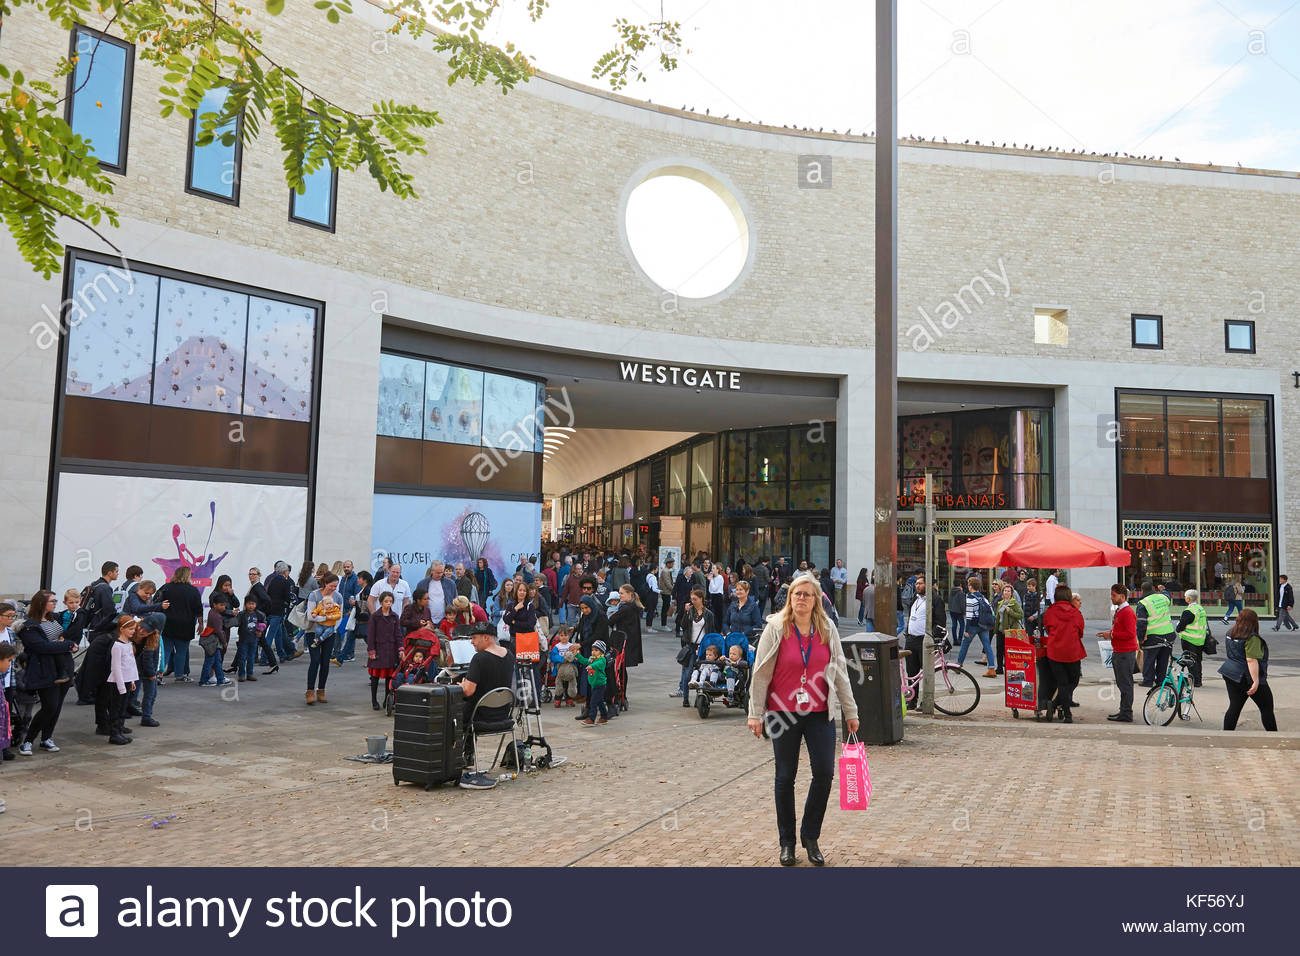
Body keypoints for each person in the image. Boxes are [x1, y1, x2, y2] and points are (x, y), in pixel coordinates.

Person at [747, 572, 860, 867]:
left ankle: (810, 836)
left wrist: (851, 711)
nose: (801, 599)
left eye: (807, 594)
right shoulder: (776, 627)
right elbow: (760, 674)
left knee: (824, 773)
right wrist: (754, 713)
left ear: (816, 600)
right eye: (797, 594)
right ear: (790, 597)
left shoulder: (827, 628)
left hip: (819, 712)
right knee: (785, 777)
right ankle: (787, 843)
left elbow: (841, 672)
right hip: (782, 713)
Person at [15, 591, 78, 755]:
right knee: (49, 706)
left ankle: (46, 738)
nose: (55, 603)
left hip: (63, 665)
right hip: (45, 669)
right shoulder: (29, 625)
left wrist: (66, 643)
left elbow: (59, 639)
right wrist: (67, 645)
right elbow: (41, 647)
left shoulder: (53, 618)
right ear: (42, 603)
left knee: (56, 706)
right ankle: (28, 740)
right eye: (52, 601)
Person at [458, 622, 515, 789]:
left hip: (480, 717)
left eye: (474, 638)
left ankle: (458, 758)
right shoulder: (509, 655)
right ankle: (468, 755)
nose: (471, 642)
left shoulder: (480, 658)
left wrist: (461, 685)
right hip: (503, 716)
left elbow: (468, 691)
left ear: (486, 637)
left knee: (450, 713)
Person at [1219, 609, 1277, 732]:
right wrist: (1256, 682)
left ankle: (1226, 735)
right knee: (1266, 708)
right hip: (1246, 677)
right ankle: (1274, 736)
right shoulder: (1252, 638)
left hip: (1230, 673)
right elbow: (1251, 660)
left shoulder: (1230, 632)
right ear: (1254, 622)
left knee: (1234, 707)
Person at [1041, 585, 1087, 723]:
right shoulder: (1075, 613)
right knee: (1073, 681)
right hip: (1072, 651)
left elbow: (1048, 628)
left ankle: (1063, 711)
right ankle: (1060, 709)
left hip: (1054, 651)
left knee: (1062, 683)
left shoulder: (1050, 612)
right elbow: (1080, 632)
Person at [1098, 582, 1137, 722]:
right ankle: (1124, 711)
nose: (1111, 598)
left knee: (1125, 684)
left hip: (1125, 652)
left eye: (1114, 595)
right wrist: (1109, 633)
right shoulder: (1121, 610)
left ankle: (1126, 713)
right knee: (1123, 683)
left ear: (1122, 596)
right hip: (1121, 651)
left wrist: (1112, 635)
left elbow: (1130, 634)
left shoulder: (1127, 612)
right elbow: (1122, 631)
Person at [156, 566, 203, 682]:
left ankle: (159, 675)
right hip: (185, 625)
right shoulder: (193, 590)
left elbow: (156, 602)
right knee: (181, 652)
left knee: (165, 650)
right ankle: (179, 675)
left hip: (168, 623)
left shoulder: (166, 587)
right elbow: (198, 609)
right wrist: (201, 624)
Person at [304, 572, 341, 704]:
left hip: (330, 633)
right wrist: (326, 619)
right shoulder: (314, 595)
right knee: (315, 660)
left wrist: (332, 628)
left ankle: (321, 690)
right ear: (325, 583)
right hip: (313, 632)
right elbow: (310, 616)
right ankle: (309, 691)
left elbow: (339, 616)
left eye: (336, 586)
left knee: (325, 662)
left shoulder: (338, 597)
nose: (333, 589)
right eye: (332, 586)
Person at [676, 588, 715, 706]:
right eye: (692, 599)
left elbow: (712, 631)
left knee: (703, 672)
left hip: (703, 648)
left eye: (695, 599)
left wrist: (711, 647)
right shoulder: (690, 611)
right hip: (691, 646)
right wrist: (685, 612)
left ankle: (702, 698)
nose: (693, 601)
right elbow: (683, 625)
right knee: (688, 674)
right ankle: (686, 699)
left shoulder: (708, 614)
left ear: (701, 599)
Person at [106, 614, 140, 745]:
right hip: (117, 682)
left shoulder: (128, 643)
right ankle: (114, 734)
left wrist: (131, 681)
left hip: (126, 681)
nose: (133, 631)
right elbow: (116, 667)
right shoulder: (117, 646)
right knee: (116, 708)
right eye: (131, 629)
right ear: (122, 629)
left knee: (122, 708)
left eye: (134, 629)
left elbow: (130, 665)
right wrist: (121, 686)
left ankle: (119, 731)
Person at [366, 591, 402, 711]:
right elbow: (370, 635)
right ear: (381, 602)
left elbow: (398, 634)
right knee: (375, 677)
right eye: (386, 601)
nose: (388, 604)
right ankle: (373, 700)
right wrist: (371, 650)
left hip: (390, 650)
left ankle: (387, 698)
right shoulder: (375, 617)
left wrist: (400, 648)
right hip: (378, 649)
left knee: (389, 678)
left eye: (390, 601)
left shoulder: (394, 616)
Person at [957, 577, 997, 678]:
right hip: (983, 625)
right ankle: (991, 669)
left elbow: (969, 616)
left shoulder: (970, 598)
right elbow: (991, 610)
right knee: (987, 646)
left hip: (973, 626)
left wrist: (966, 630)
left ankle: (958, 665)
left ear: (970, 586)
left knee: (964, 645)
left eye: (968, 584)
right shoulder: (982, 597)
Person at [1136, 584, 1175, 688]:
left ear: (1142, 591)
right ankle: (1161, 681)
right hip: (1168, 635)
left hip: (1153, 637)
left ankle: (1148, 681)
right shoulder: (1163, 597)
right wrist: (1163, 589)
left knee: (1149, 659)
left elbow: (1141, 624)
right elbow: (1168, 595)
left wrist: (1140, 639)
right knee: (1163, 660)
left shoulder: (1143, 603)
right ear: (1153, 589)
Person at [132, 613, 164, 727]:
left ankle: (145, 715)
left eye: (146, 631)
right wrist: (152, 673)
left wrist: (159, 669)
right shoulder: (144, 638)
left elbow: (158, 656)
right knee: (150, 695)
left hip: (143, 670)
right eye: (141, 628)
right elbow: (148, 659)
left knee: (150, 694)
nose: (141, 631)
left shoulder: (153, 640)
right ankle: (146, 717)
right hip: (145, 672)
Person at [1173, 589, 1208, 687]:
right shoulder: (1200, 608)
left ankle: (1194, 681)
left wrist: (1178, 625)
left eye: (1185, 596)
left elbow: (1180, 627)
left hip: (1189, 639)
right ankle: (1198, 680)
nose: (1184, 598)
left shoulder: (1189, 611)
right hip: (1200, 639)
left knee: (1190, 661)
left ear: (1188, 599)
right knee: (1198, 660)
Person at [198, 593, 233, 687]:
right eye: (221, 605)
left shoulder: (212, 612)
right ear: (214, 605)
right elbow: (218, 631)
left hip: (212, 641)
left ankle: (220, 679)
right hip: (212, 642)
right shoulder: (216, 616)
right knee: (209, 662)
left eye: (224, 605)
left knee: (217, 661)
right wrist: (224, 642)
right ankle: (203, 681)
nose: (223, 607)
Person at [572, 640, 611, 725]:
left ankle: (591, 719)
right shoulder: (592, 659)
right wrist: (577, 655)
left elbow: (598, 664)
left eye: (596, 650)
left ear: (602, 652)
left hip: (600, 685)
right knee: (600, 701)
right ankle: (604, 717)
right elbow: (585, 661)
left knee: (593, 702)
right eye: (592, 650)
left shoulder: (602, 659)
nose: (593, 652)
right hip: (594, 684)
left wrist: (591, 666)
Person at [234, 596, 267, 683]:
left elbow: (264, 622)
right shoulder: (242, 614)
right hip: (243, 639)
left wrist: (260, 631)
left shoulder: (259, 614)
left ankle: (250, 674)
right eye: (249, 604)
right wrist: (234, 616)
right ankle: (241, 675)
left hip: (254, 639)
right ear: (245, 604)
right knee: (242, 657)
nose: (251, 606)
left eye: (253, 604)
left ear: (256, 605)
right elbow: (236, 623)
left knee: (251, 657)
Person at [993, 582, 1023, 675]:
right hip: (1000, 630)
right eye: (1005, 591)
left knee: (1009, 650)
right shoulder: (1001, 603)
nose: (1006, 592)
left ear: (1011, 593)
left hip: (1010, 631)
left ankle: (1009, 668)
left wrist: (1010, 611)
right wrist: (996, 629)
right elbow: (998, 617)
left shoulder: (1014, 603)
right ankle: (999, 668)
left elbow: (1020, 615)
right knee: (999, 649)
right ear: (1002, 592)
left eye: (1008, 591)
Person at [334, 560, 361, 663]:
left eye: (348, 567)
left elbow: (356, 594)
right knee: (339, 631)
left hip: (350, 610)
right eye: (345, 567)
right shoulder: (343, 579)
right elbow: (340, 593)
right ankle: (337, 653)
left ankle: (349, 654)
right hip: (341, 609)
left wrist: (352, 609)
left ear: (352, 568)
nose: (346, 569)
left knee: (349, 633)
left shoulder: (355, 579)